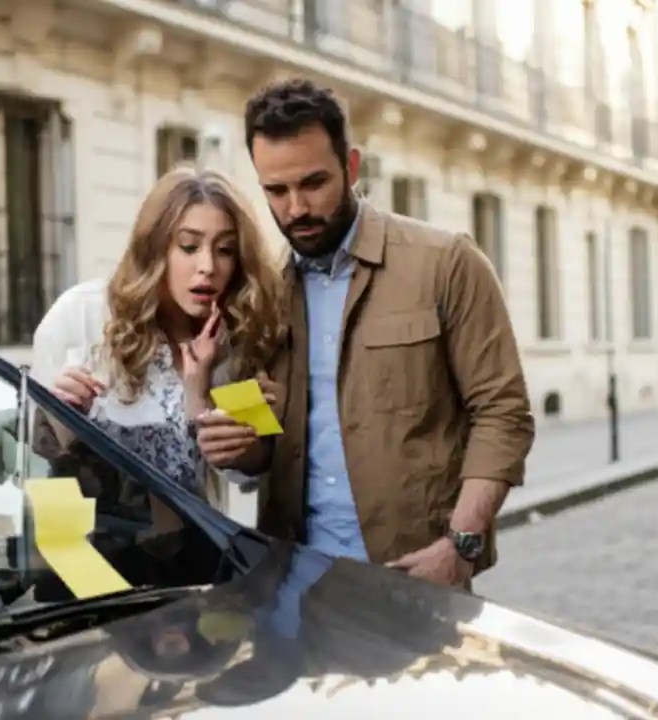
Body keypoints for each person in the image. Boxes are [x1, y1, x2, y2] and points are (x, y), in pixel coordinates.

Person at [195, 78, 536, 589]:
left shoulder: (447, 263)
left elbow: (503, 414)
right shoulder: (262, 293)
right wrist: (237, 447)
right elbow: (266, 453)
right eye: (277, 191)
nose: (296, 209)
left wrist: (460, 547)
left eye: (314, 183)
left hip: (416, 583)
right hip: (294, 585)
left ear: (351, 168)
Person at [30, 165, 286, 536]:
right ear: (155, 248)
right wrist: (57, 414)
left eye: (225, 250)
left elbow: (247, 475)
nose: (208, 267)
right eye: (188, 246)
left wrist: (239, 437)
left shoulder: (238, 338)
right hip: (83, 562)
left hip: (189, 564)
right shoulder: (80, 316)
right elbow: (34, 459)